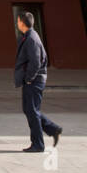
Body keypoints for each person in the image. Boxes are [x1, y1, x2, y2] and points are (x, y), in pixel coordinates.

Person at [14, 11, 62, 152]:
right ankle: (53, 129)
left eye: (18, 21)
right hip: (32, 80)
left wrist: (29, 78)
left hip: (34, 80)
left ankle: (38, 144)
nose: (17, 23)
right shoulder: (28, 37)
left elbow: (35, 62)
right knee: (29, 109)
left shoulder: (32, 39)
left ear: (22, 23)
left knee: (32, 110)